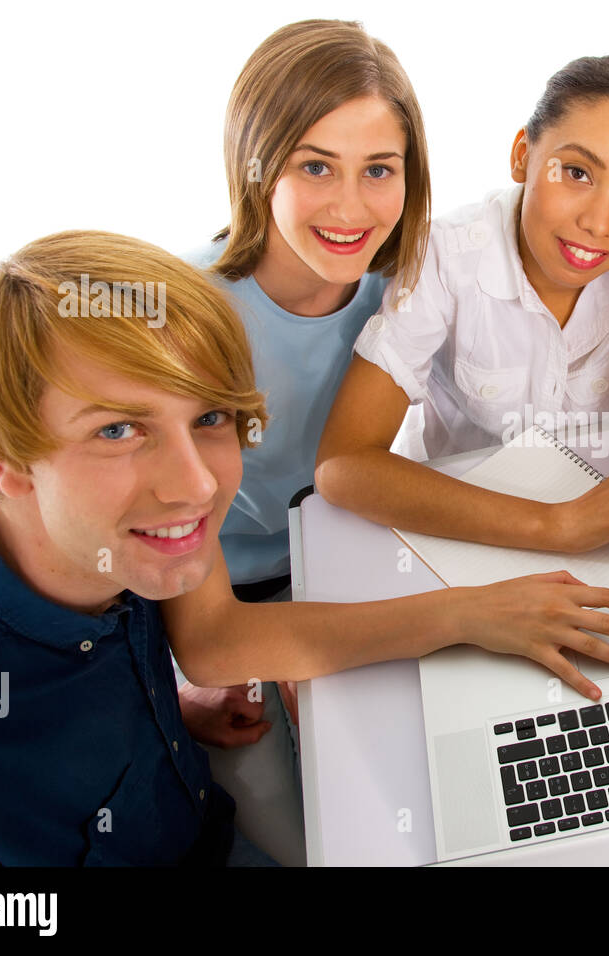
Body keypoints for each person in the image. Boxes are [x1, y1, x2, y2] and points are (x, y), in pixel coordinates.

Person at [0, 232, 609, 865]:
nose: (198, 485)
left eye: (210, 418)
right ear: (4, 461)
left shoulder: (95, 541)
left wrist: (152, 704)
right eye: (116, 431)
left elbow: (216, 639)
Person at [180, 18, 432, 864]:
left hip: (345, 562)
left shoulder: (407, 288)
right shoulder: (189, 318)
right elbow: (200, 623)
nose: (351, 207)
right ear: (257, 167)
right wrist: (271, 651)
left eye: (379, 170)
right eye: (315, 166)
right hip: (213, 600)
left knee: (414, 787)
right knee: (293, 826)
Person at [314, 55, 609, 554]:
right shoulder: (449, 255)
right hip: (461, 527)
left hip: (593, 528)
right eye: (579, 173)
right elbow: (342, 465)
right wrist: (555, 526)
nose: (601, 224)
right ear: (523, 155)